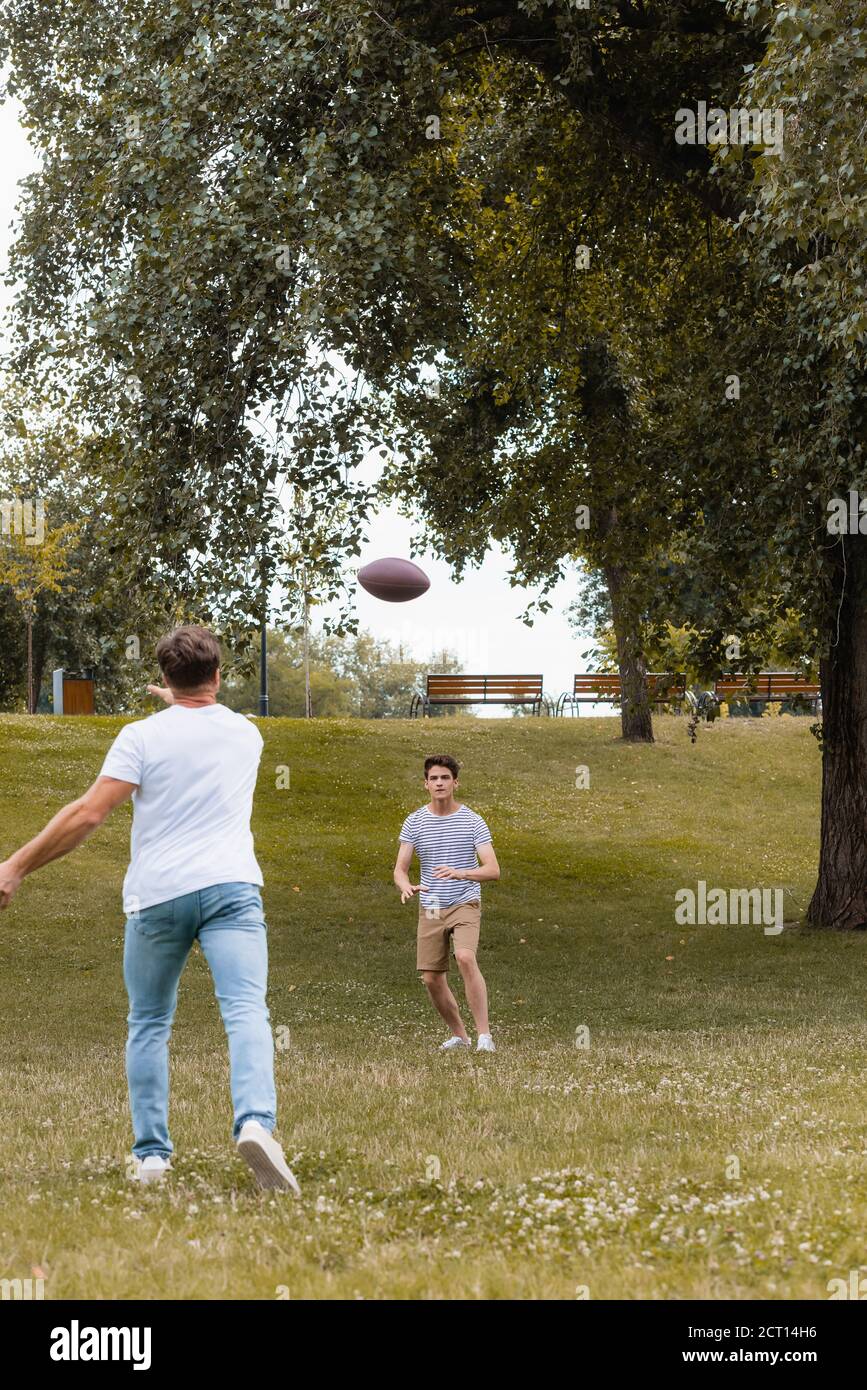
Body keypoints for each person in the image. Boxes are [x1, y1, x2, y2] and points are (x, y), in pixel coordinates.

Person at [0, 625, 298, 1193]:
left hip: (159, 895)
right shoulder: (246, 736)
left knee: (149, 1023)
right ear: (216, 676)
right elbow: (204, 711)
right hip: (232, 889)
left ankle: (154, 1156)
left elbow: (88, 814)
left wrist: (14, 866)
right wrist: (179, 697)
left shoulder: (140, 738)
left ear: (164, 677)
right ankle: (257, 1122)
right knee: (245, 1011)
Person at [394, 754, 500, 1052]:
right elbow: (400, 868)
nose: (439, 783)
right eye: (434, 778)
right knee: (430, 978)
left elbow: (493, 869)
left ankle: (484, 1037)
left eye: (445, 778)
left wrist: (461, 873)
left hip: (465, 901)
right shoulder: (414, 821)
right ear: (425, 784)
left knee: (465, 957)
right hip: (430, 904)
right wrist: (405, 885)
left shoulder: (472, 820)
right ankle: (461, 1036)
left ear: (455, 783)